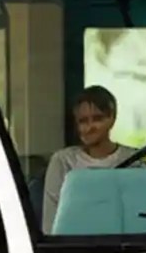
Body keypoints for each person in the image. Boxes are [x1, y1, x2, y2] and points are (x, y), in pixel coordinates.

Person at [41, 85, 139, 233]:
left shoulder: (135, 160)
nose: (89, 127)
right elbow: (50, 224)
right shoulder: (63, 161)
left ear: (112, 118)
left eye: (97, 119)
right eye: (83, 121)